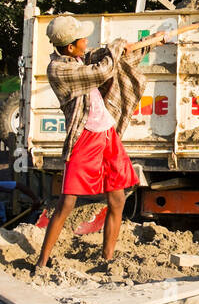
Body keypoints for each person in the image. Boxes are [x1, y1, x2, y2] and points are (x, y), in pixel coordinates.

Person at [35, 15, 144, 273]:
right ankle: (42, 260)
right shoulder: (60, 70)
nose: (87, 40)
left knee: (117, 199)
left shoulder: (78, 57)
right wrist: (114, 52)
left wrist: (142, 45)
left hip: (106, 132)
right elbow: (103, 70)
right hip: (85, 137)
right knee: (67, 202)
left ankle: (106, 259)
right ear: (70, 47)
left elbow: (107, 54)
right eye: (82, 38)